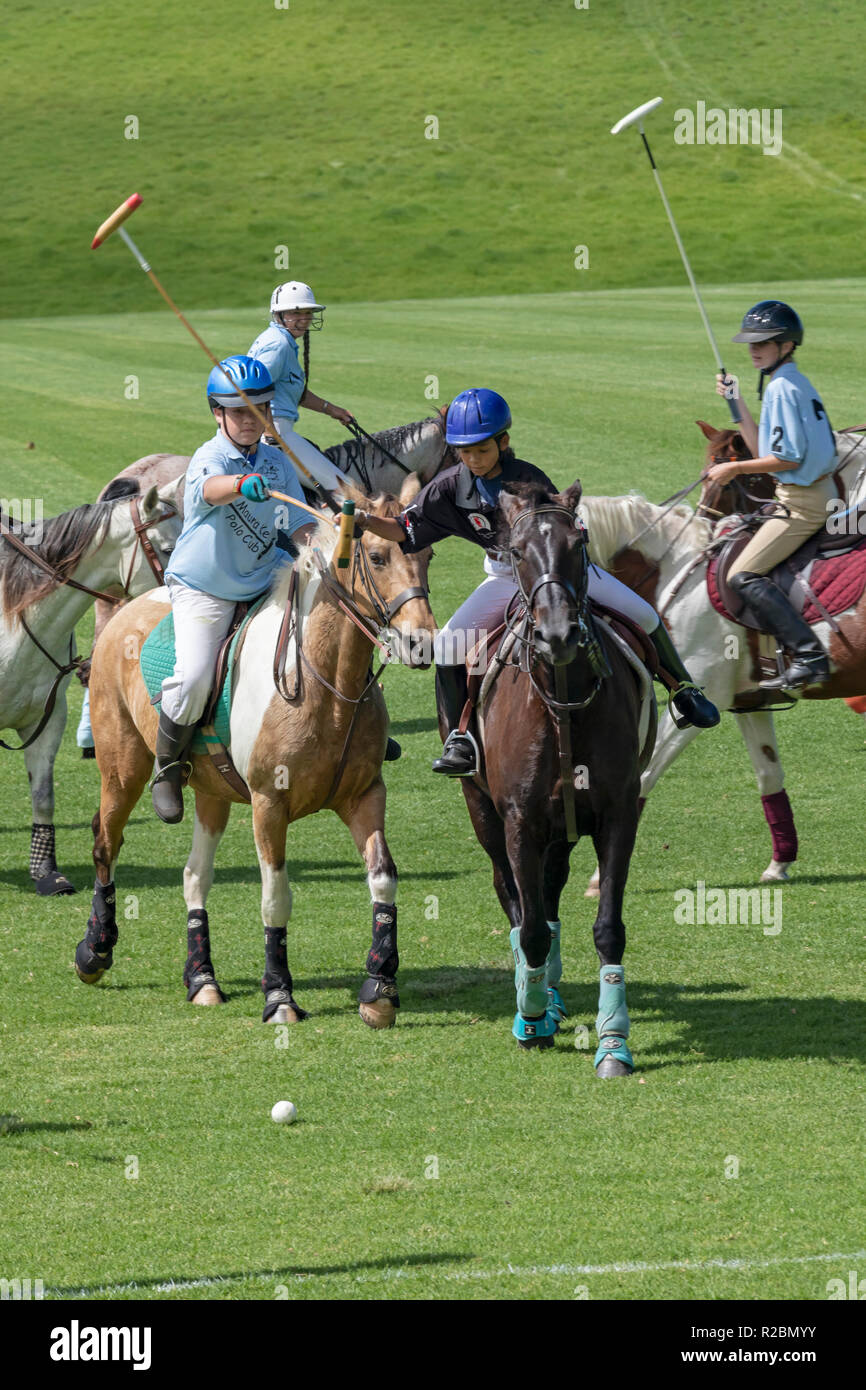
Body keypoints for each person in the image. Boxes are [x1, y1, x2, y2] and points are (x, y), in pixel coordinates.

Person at [355, 388, 719, 777]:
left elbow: (555, 536)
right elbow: (403, 530)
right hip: (503, 576)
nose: (473, 460)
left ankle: (682, 690)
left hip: (555, 570)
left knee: (644, 614)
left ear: (503, 442)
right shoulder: (448, 487)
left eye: (481, 450)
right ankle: (460, 738)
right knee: (446, 647)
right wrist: (365, 520)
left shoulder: (528, 479)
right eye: (464, 452)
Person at [151, 355, 314, 823]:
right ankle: (167, 768)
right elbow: (207, 490)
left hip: (264, 576)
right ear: (216, 413)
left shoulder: (277, 461)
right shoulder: (211, 456)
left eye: (258, 409)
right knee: (196, 676)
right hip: (207, 585)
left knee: (333, 617)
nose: (249, 419)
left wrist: (320, 544)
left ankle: (359, 725)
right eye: (238, 410)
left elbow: (299, 523)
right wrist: (242, 483)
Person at [709, 300, 837, 690]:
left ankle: (810, 655)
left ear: (786, 345)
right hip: (814, 493)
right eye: (750, 342)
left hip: (803, 504)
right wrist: (736, 401)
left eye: (764, 341)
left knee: (741, 574)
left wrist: (732, 468)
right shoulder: (791, 381)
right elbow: (764, 447)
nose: (753, 348)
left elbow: (784, 458)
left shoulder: (782, 387)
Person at [248, 281, 354, 494]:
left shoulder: (281, 340)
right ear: (279, 315)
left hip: (275, 431)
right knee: (347, 491)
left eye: (308, 313)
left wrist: (332, 410)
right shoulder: (278, 345)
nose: (304, 320)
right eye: (296, 313)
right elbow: (253, 389)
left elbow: (294, 392)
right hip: (275, 434)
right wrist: (268, 429)